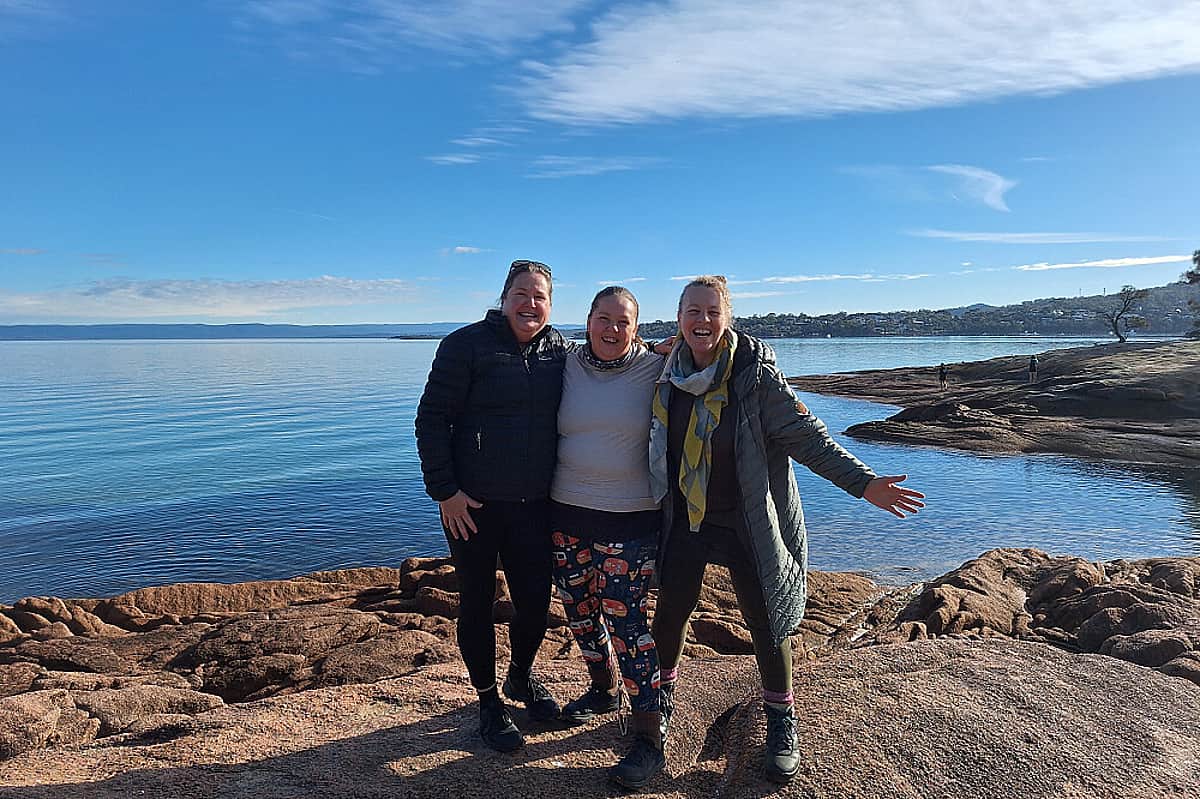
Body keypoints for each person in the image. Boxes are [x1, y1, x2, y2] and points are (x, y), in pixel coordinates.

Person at [648, 276, 925, 784]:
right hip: (686, 514)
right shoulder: (665, 370)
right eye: (693, 311)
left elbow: (808, 438)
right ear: (679, 317)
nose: (702, 320)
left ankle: (781, 719)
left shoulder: (756, 376)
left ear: (727, 317)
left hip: (747, 518)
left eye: (712, 311)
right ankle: (662, 699)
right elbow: (616, 355)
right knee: (671, 611)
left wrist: (863, 483)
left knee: (766, 618)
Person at [414, 259, 567, 753]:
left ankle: (519, 678)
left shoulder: (558, 350)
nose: (530, 303)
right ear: (504, 298)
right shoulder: (465, 345)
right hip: (473, 505)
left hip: (535, 506)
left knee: (536, 605)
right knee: (476, 603)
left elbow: (614, 359)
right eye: (521, 294)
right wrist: (445, 492)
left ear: (549, 304)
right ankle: (487, 701)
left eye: (539, 296)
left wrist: (660, 349)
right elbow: (432, 419)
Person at [549, 286, 667, 789]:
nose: (612, 329)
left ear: (636, 329)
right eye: (604, 318)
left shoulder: (657, 366)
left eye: (623, 322)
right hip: (565, 513)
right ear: (589, 320)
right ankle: (602, 690)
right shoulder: (565, 362)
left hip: (629, 518)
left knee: (628, 622)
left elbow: (721, 345)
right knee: (578, 613)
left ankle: (647, 732)